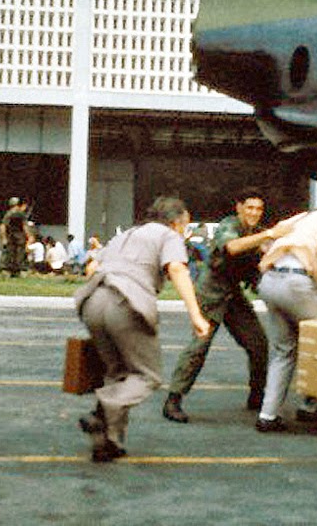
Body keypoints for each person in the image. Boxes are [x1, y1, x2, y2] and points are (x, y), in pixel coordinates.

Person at [75, 197, 212, 462]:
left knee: (117, 373)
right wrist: (196, 314)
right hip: (126, 304)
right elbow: (177, 269)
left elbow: (91, 267)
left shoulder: (125, 234)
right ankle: (102, 410)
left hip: (92, 299)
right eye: (185, 226)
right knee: (147, 376)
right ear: (176, 222)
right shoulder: (168, 235)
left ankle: (108, 442)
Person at [163, 188, 294, 424]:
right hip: (211, 293)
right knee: (199, 347)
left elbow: (257, 269)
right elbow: (232, 247)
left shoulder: (258, 233)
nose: (254, 213)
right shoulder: (229, 225)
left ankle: (257, 395)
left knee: (258, 345)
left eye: (259, 209)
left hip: (233, 295)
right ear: (239, 207)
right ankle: (173, 400)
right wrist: (270, 235)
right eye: (250, 207)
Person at [253, 203, 317, 431]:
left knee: (283, 351)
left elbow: (267, 244)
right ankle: (310, 406)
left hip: (270, 282)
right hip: (298, 285)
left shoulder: (299, 218)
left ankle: (267, 415)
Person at [0, 197, 29, 277]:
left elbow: (3, 226)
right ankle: (18, 271)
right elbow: (24, 226)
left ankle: (7, 271)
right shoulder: (21, 214)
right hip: (19, 237)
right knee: (19, 254)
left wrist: (4, 238)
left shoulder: (8, 213)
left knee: (9, 254)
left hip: (10, 236)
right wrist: (29, 236)